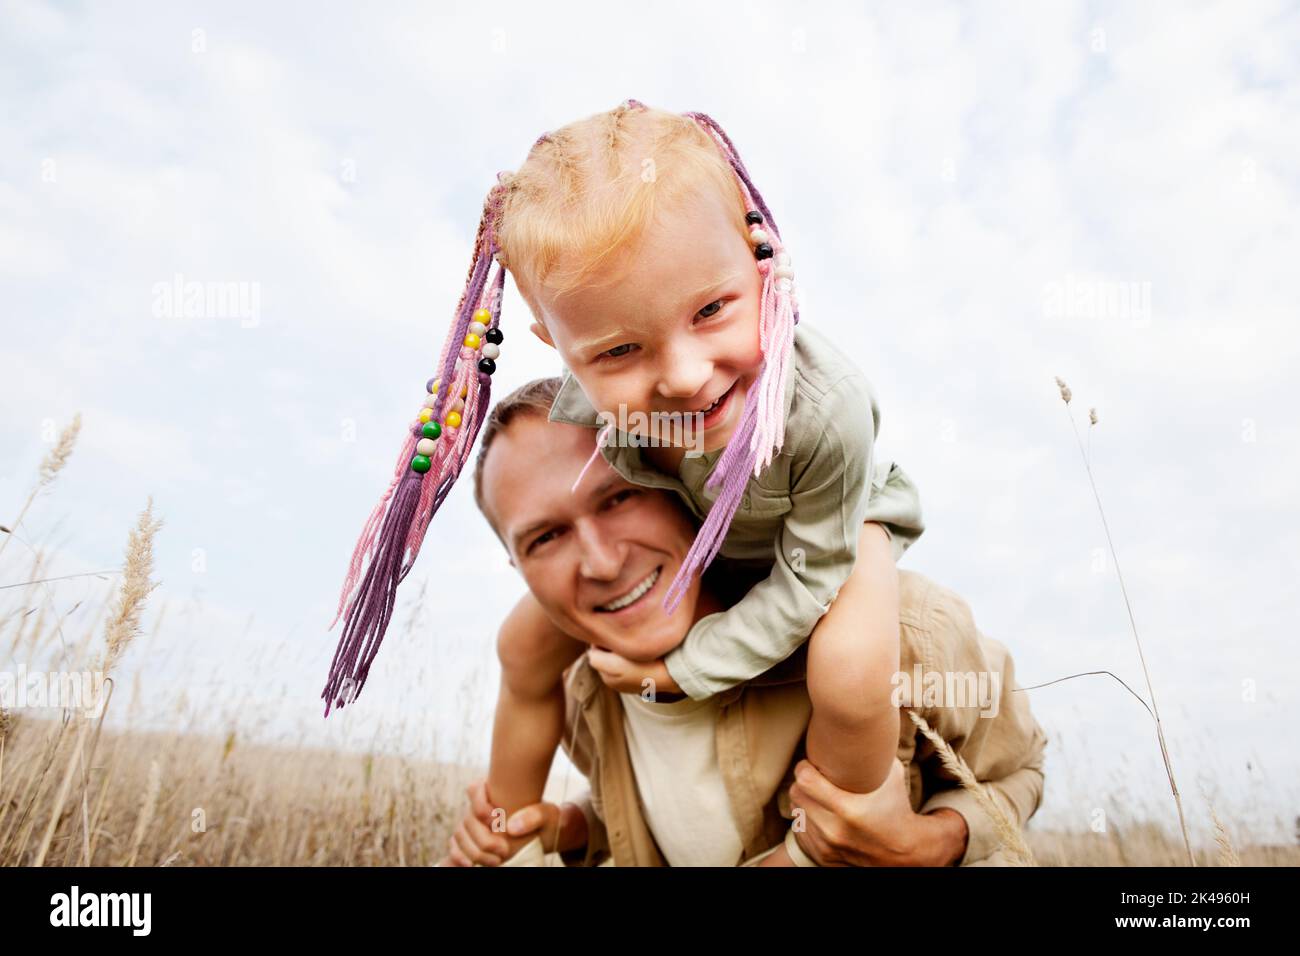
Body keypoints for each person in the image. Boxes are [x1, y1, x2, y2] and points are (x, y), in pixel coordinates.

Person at [325, 99, 926, 866]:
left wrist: (682, 667)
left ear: (758, 251)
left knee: (846, 665)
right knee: (524, 639)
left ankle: (833, 839)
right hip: (711, 540)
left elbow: (811, 579)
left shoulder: (825, 409)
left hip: (831, 536)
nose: (683, 378)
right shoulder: (586, 409)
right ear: (555, 344)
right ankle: (507, 844)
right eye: (617, 352)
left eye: (712, 309)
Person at [442, 378, 1048, 867]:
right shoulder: (581, 694)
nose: (601, 562)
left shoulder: (901, 631)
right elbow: (677, 820)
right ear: (517, 566)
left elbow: (1020, 770)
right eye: (546, 537)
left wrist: (932, 843)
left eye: (620, 496)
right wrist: (572, 827)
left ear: (680, 483)